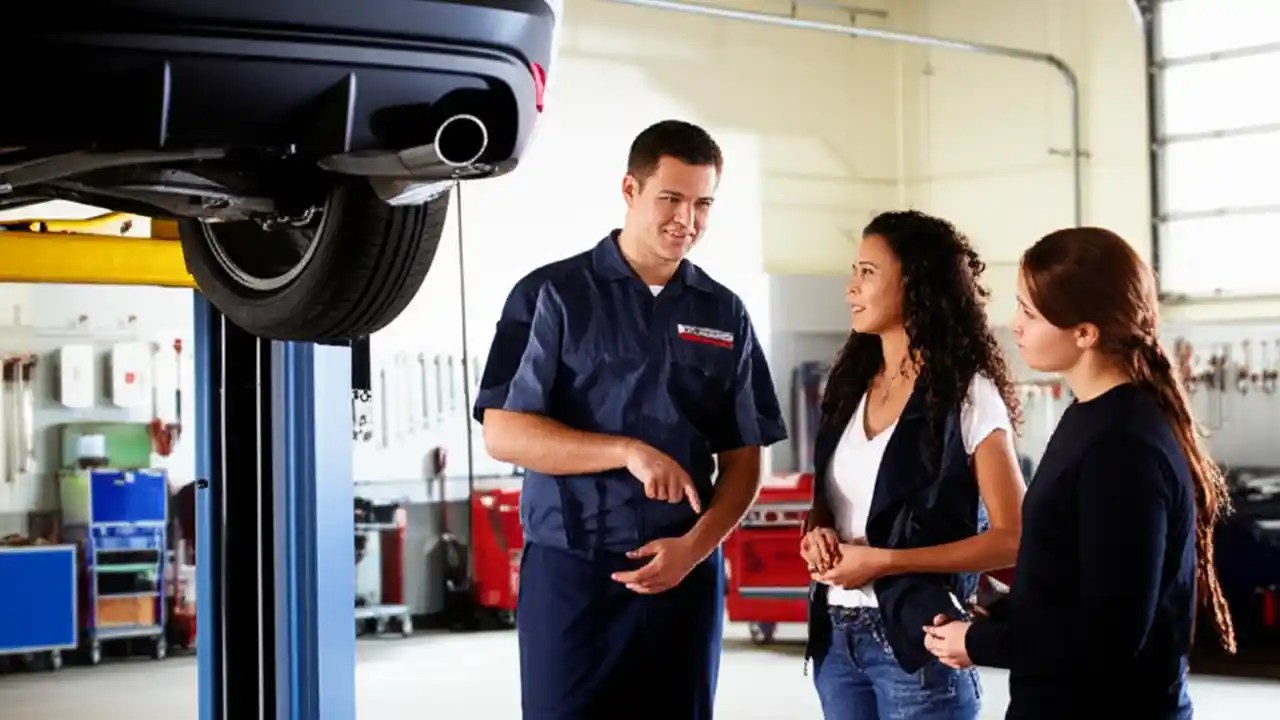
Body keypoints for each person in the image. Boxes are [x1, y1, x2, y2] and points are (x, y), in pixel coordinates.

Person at [472, 119, 787, 720]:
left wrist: (695, 549)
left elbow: (746, 460)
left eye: (702, 204)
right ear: (629, 190)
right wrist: (626, 451)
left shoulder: (723, 312)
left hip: (684, 574)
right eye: (670, 198)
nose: (685, 220)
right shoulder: (551, 294)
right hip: (574, 572)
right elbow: (503, 431)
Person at [923, 227, 1238, 720]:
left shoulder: (1124, 446)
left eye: (1029, 312)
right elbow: (1085, 581)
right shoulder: (1089, 415)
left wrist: (981, 643)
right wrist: (1007, 605)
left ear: (1085, 332)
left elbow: (1110, 637)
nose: (1016, 325)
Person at [798, 210, 1027, 720]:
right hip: (837, 638)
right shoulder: (849, 387)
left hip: (920, 643)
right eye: (854, 271)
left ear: (916, 285)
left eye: (868, 272)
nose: (851, 287)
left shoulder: (968, 397)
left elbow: (1013, 537)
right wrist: (816, 532)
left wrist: (885, 562)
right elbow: (834, 504)